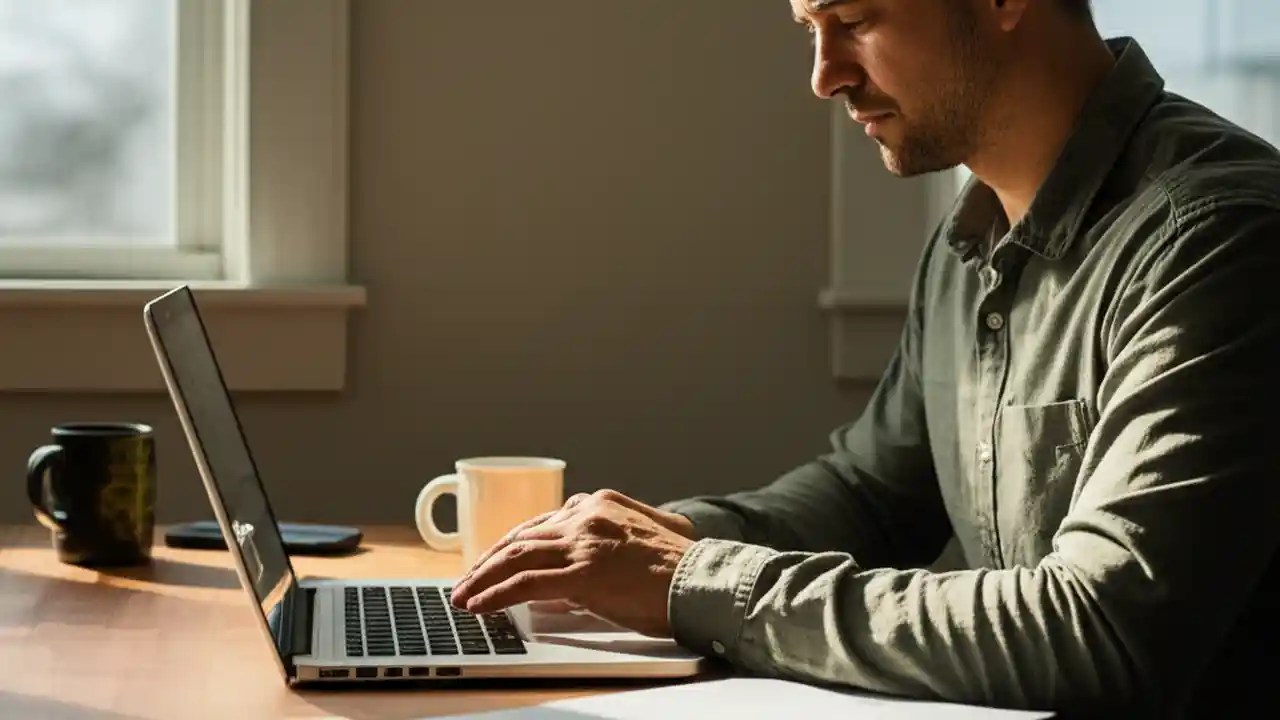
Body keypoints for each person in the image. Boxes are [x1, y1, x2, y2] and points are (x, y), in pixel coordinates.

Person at [449, 0, 1280, 716]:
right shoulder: (969, 241)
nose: (824, 74)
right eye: (811, 26)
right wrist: (632, 549)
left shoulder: (1217, 238)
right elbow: (871, 495)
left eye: (852, 20)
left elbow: (1105, 628)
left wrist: (692, 579)